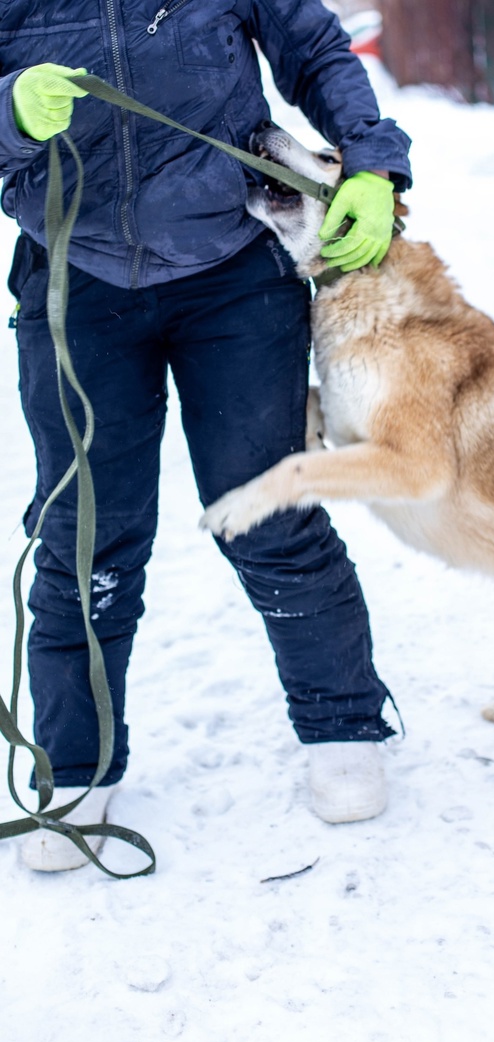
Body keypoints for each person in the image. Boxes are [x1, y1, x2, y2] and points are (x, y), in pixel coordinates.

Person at [0, 1, 412, 872]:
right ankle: (75, 766)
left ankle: (343, 725)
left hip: (234, 274)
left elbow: (312, 49)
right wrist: (10, 112)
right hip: (76, 280)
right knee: (86, 535)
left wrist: (372, 163)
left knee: (266, 506)